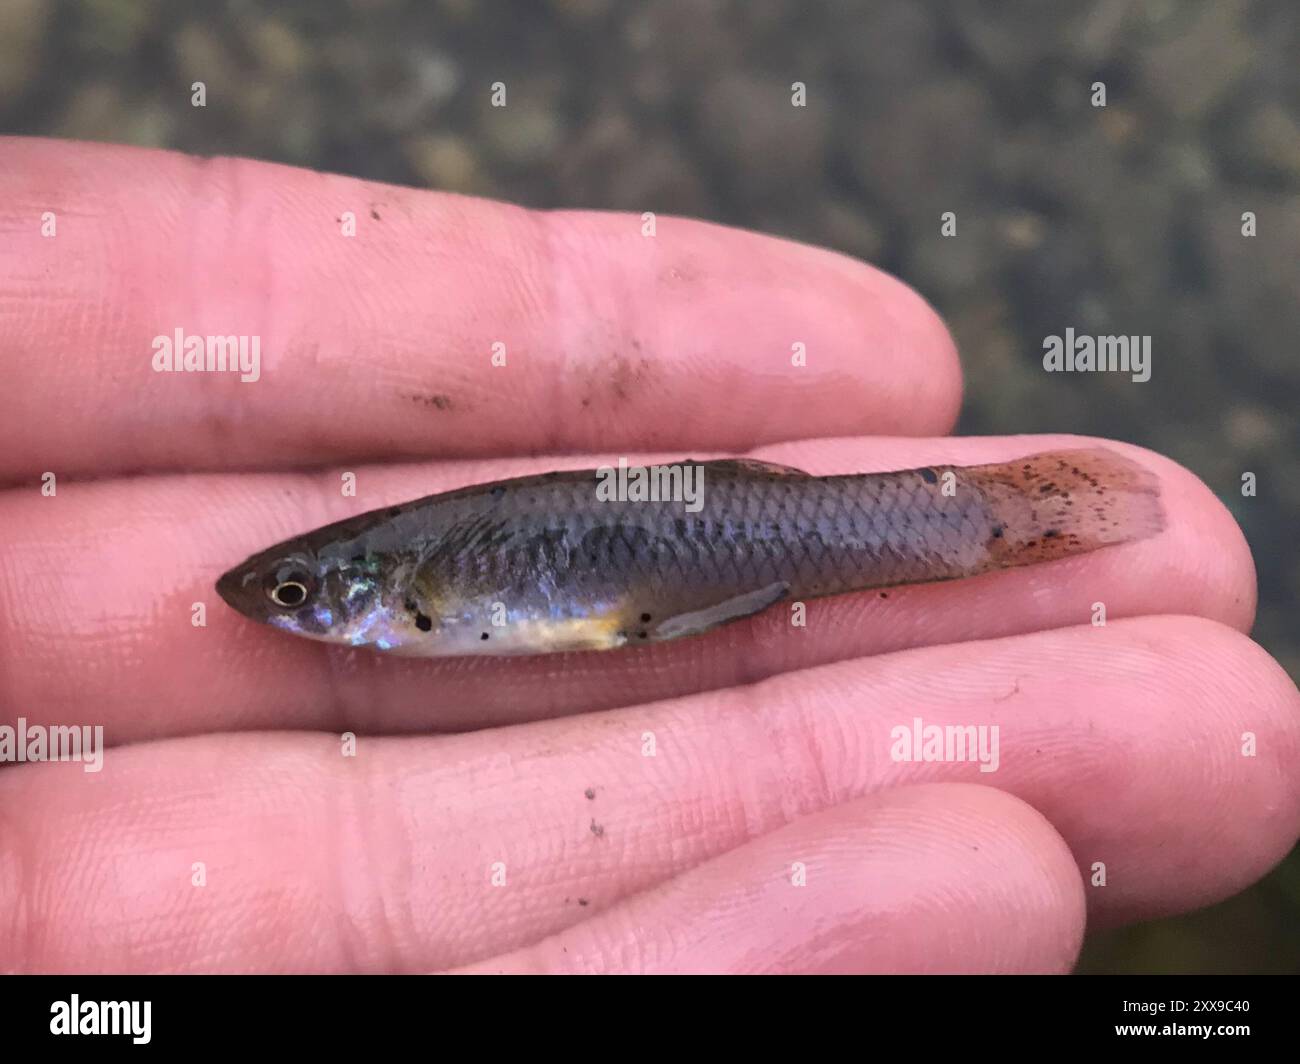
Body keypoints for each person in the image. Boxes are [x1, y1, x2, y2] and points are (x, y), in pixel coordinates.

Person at [1, 137, 1296, 973]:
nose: (281, 609)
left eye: (294, 596)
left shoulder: (421, 579)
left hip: (689, 558)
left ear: (367, 595)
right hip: (681, 567)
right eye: (291, 594)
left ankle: (1014, 519)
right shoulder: (404, 582)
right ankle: (998, 520)